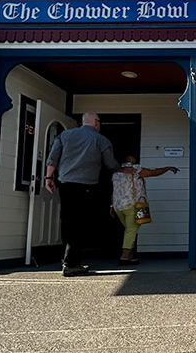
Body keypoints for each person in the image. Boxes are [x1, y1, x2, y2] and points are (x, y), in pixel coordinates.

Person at [45, 112, 121, 277]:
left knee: (67, 221)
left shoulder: (64, 135)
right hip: (87, 186)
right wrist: (121, 168)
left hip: (65, 184)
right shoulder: (101, 140)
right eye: (99, 122)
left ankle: (66, 260)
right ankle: (71, 264)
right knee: (79, 224)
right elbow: (110, 164)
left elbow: (53, 158)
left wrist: (49, 177)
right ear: (95, 122)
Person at [110, 153, 180, 263]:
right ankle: (125, 257)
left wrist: (111, 206)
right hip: (132, 205)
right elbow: (153, 173)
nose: (134, 158)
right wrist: (167, 168)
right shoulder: (135, 169)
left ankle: (130, 256)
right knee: (131, 231)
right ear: (129, 158)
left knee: (128, 230)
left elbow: (113, 191)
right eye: (132, 156)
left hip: (119, 206)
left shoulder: (116, 172)